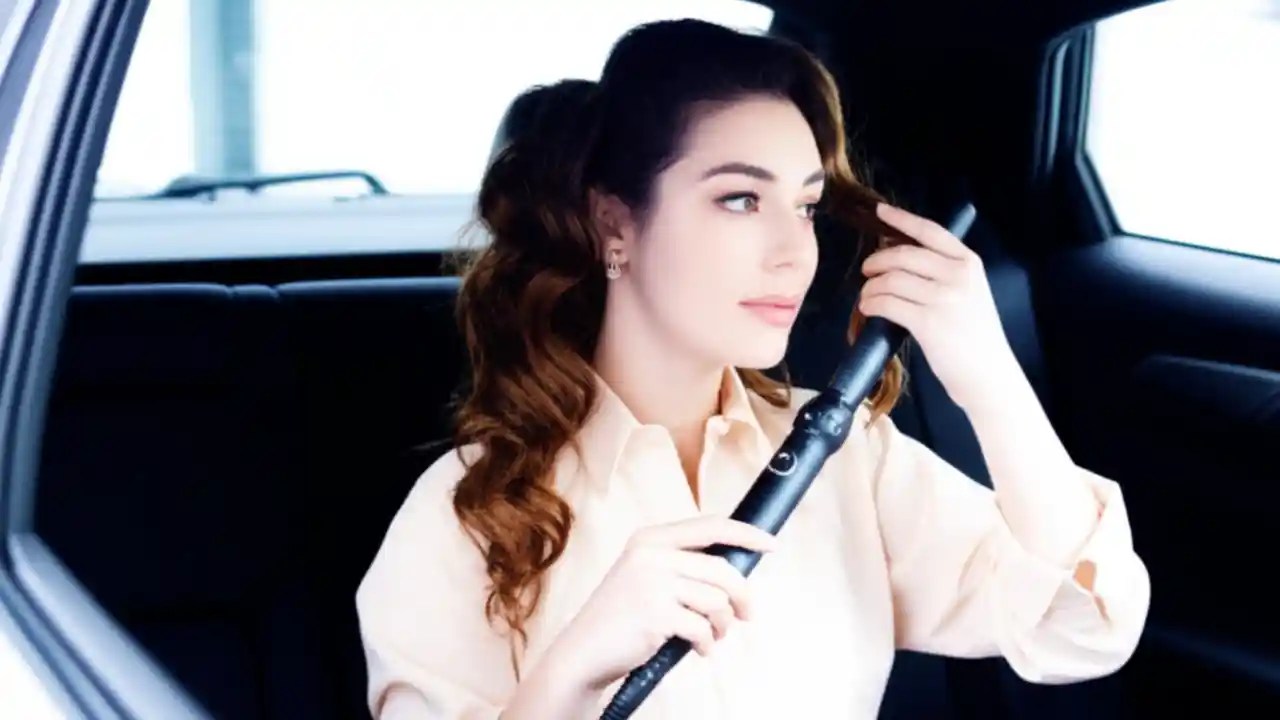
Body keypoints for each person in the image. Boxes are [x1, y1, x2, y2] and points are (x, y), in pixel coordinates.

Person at [355, 18, 1150, 720]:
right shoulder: (470, 514)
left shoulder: (851, 460)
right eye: (740, 199)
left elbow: (1082, 629)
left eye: (804, 206)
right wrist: (572, 667)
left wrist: (988, 379)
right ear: (612, 223)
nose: (793, 249)